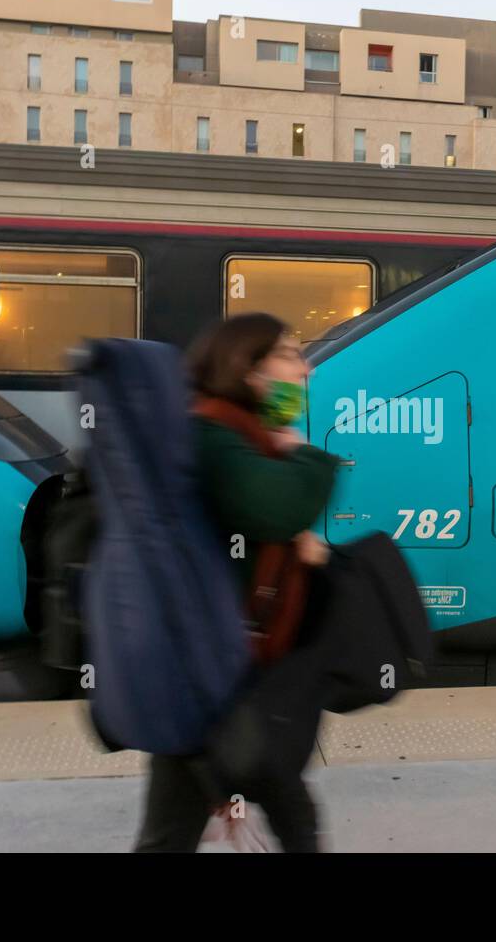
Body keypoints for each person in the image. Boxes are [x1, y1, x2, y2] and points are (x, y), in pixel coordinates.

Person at [134, 313, 339, 853]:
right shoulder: (213, 434)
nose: (307, 371)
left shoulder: (238, 435)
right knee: (267, 809)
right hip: (209, 676)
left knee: (274, 806)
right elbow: (275, 507)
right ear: (249, 369)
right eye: (292, 355)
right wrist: (308, 458)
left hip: (223, 671)